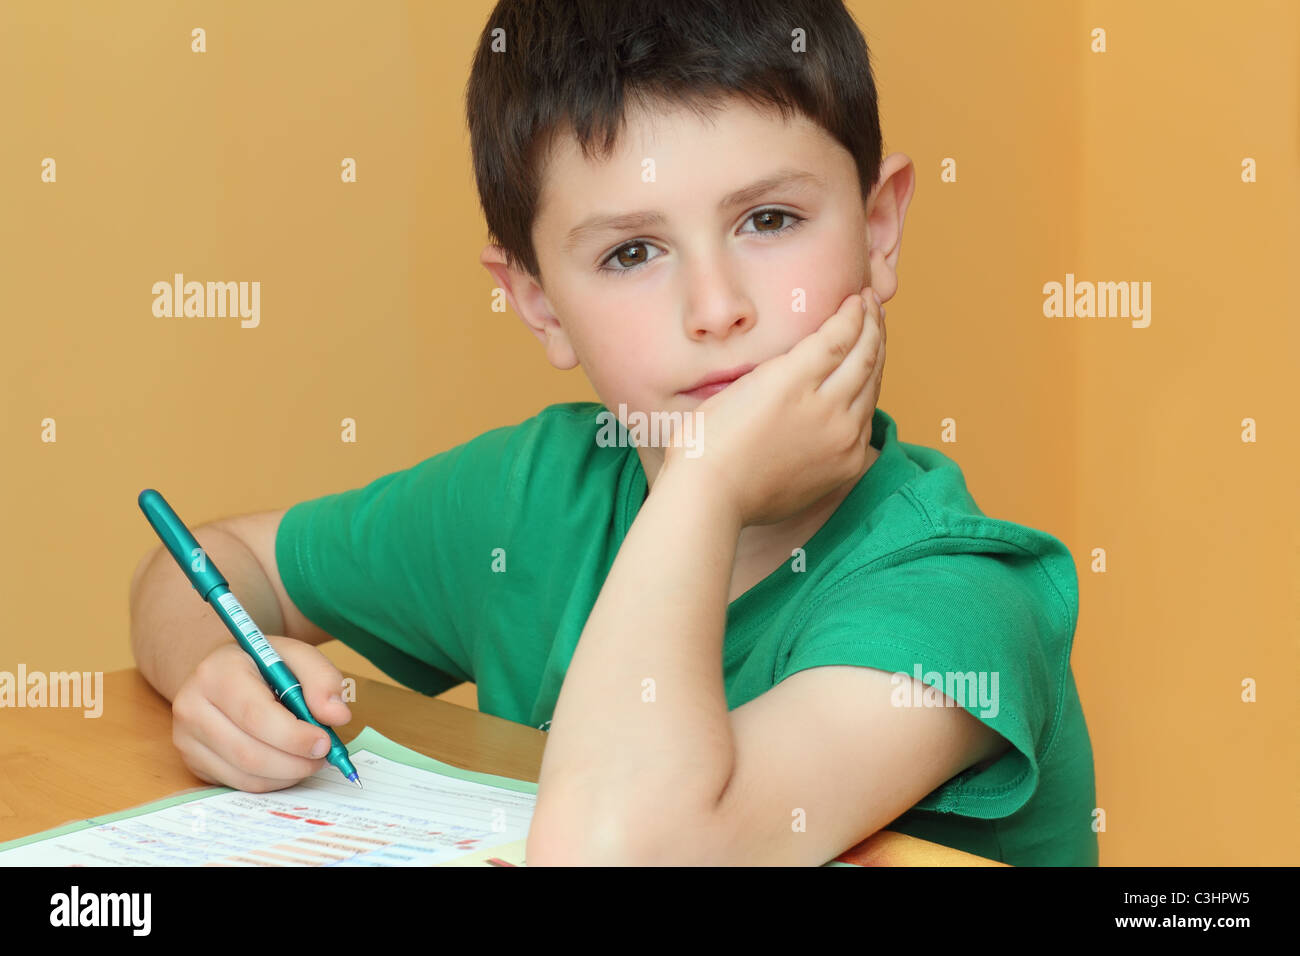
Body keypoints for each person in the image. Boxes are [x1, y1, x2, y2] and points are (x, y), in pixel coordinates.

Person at [131, 0, 1098, 866]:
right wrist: (214, 677)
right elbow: (202, 566)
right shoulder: (539, 495)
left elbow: (624, 857)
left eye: (769, 219)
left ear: (880, 228)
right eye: (632, 252)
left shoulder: (955, 601)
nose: (715, 308)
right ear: (539, 303)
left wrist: (706, 484)